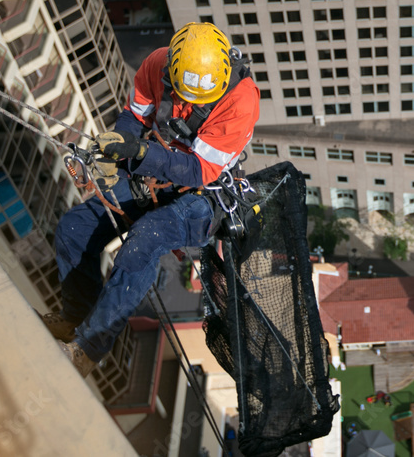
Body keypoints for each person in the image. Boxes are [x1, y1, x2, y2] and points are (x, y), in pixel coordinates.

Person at [42, 23, 260, 376]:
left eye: (199, 99)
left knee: (145, 239)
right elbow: (134, 117)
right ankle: (74, 319)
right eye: (184, 95)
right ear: (171, 69)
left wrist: (138, 152)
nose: (190, 104)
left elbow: (197, 170)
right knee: (74, 229)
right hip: (155, 175)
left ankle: (88, 349)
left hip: (204, 196)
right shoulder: (157, 64)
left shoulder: (240, 99)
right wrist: (119, 145)